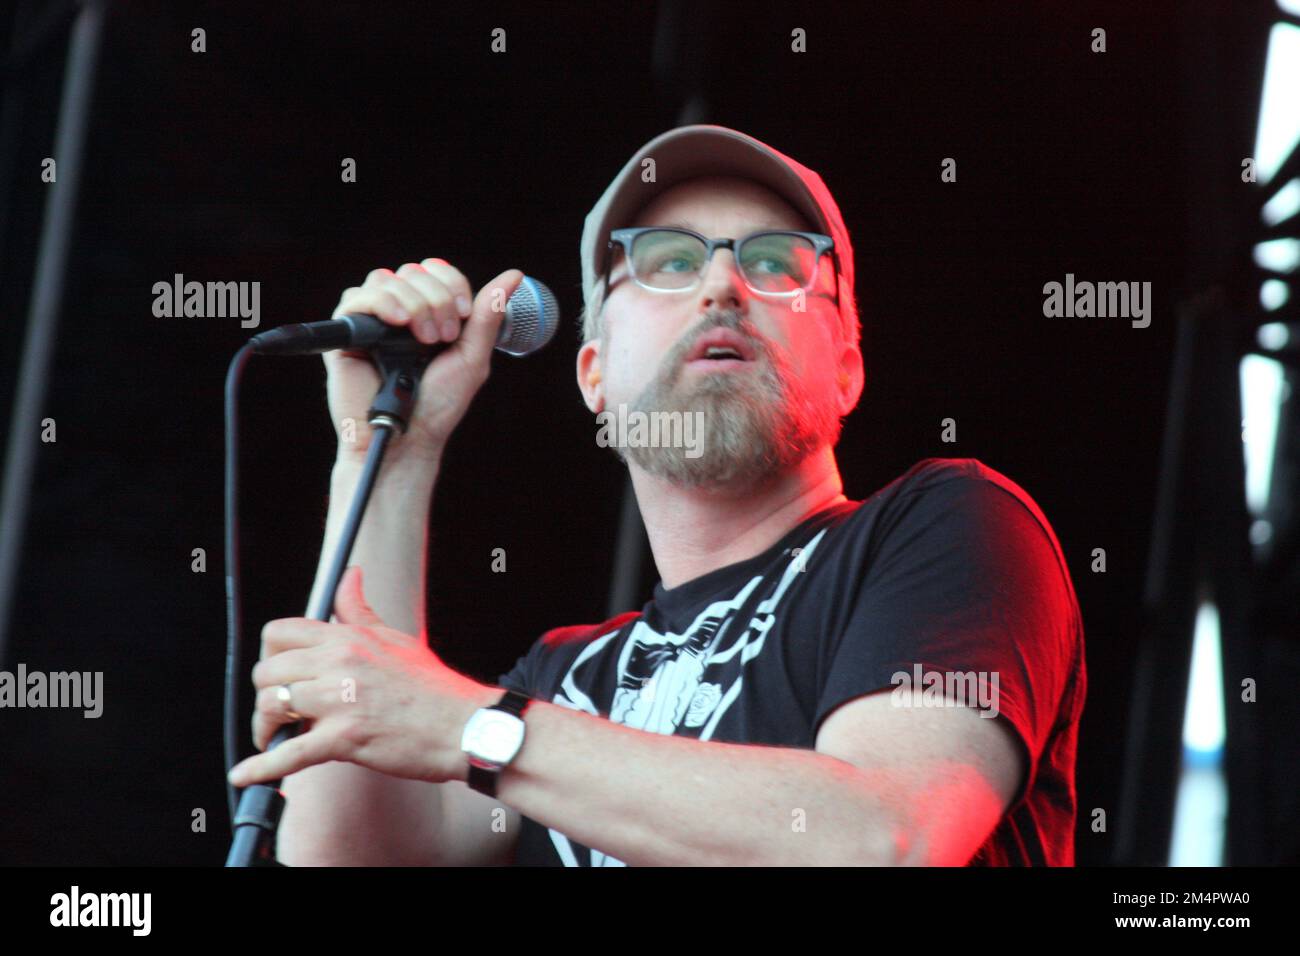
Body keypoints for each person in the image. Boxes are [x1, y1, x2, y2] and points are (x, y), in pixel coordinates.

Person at [226, 124, 1086, 867]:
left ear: (849, 369)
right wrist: (388, 452)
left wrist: (474, 725)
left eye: (777, 264)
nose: (722, 287)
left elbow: (878, 836)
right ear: (594, 378)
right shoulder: (568, 678)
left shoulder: (953, 526)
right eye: (667, 261)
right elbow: (355, 853)